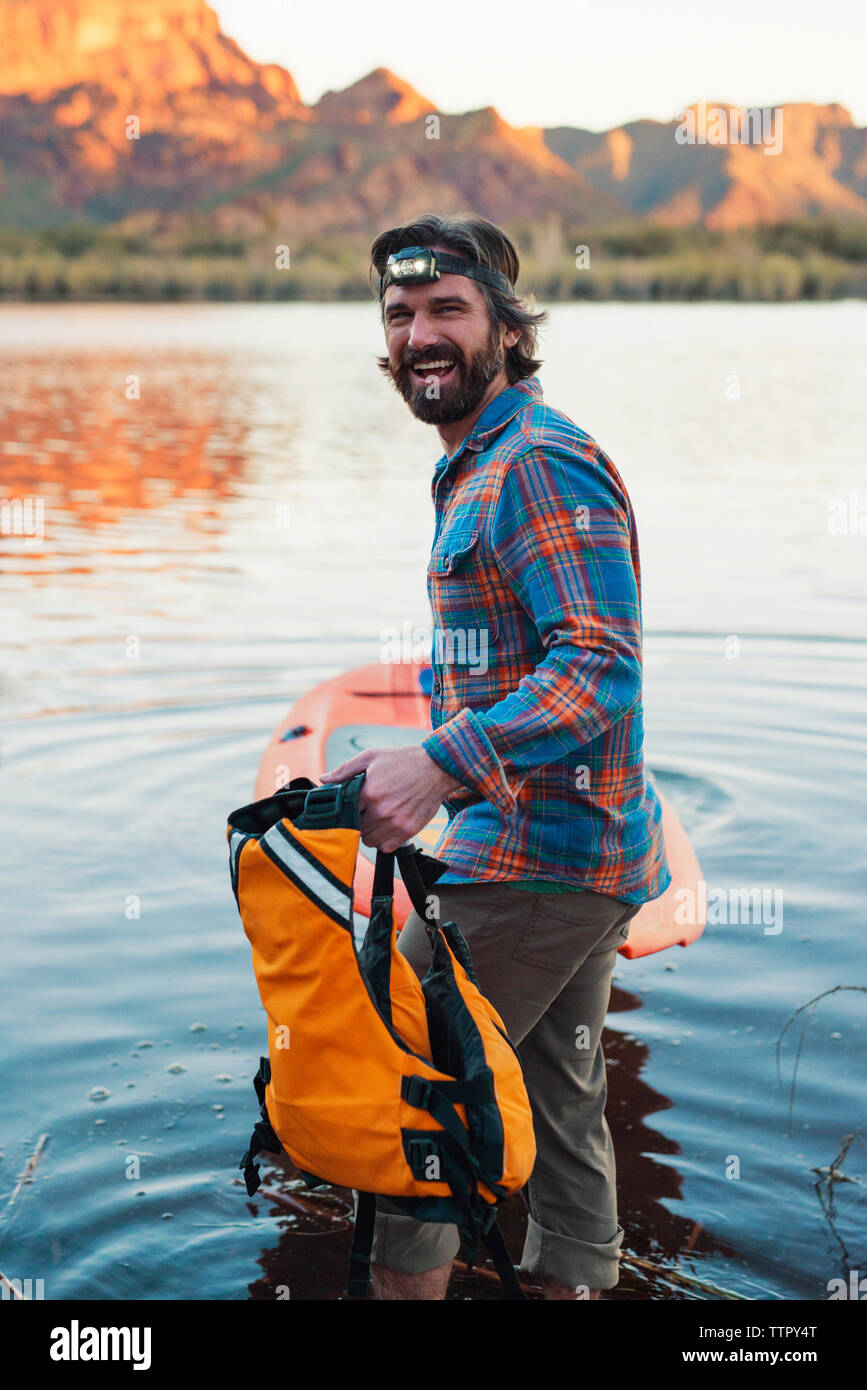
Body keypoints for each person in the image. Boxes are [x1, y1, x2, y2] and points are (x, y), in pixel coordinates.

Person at [321, 212, 670, 1300]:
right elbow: (529, 661)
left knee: (410, 1102)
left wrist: (438, 765)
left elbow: (600, 666)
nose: (421, 333)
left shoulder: (535, 462)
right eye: (401, 314)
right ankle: (574, 1279)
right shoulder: (478, 462)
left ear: (508, 331)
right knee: (562, 1103)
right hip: (574, 846)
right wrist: (432, 753)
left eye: (447, 311)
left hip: (537, 858)